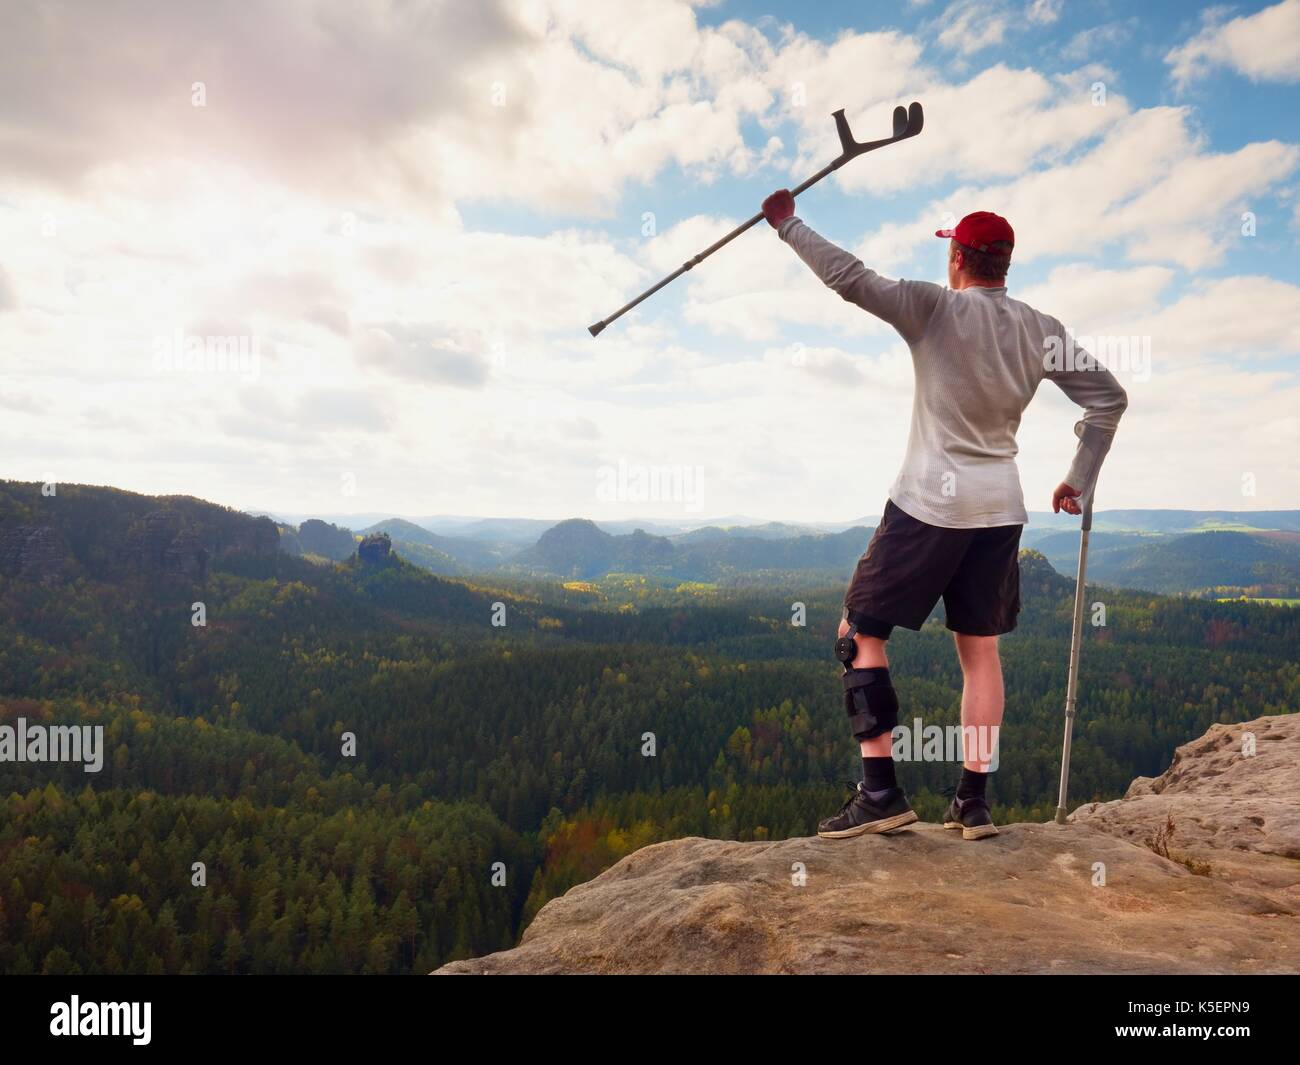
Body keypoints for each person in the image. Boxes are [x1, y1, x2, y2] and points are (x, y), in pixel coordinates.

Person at [760, 190, 1128, 841]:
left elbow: (851, 279)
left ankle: (880, 793)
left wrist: (788, 225)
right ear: (1005, 264)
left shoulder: (932, 307)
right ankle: (973, 802)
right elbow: (1109, 399)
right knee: (979, 652)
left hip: (928, 504)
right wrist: (1079, 476)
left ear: (957, 259)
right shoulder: (1040, 327)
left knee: (858, 634)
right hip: (999, 511)